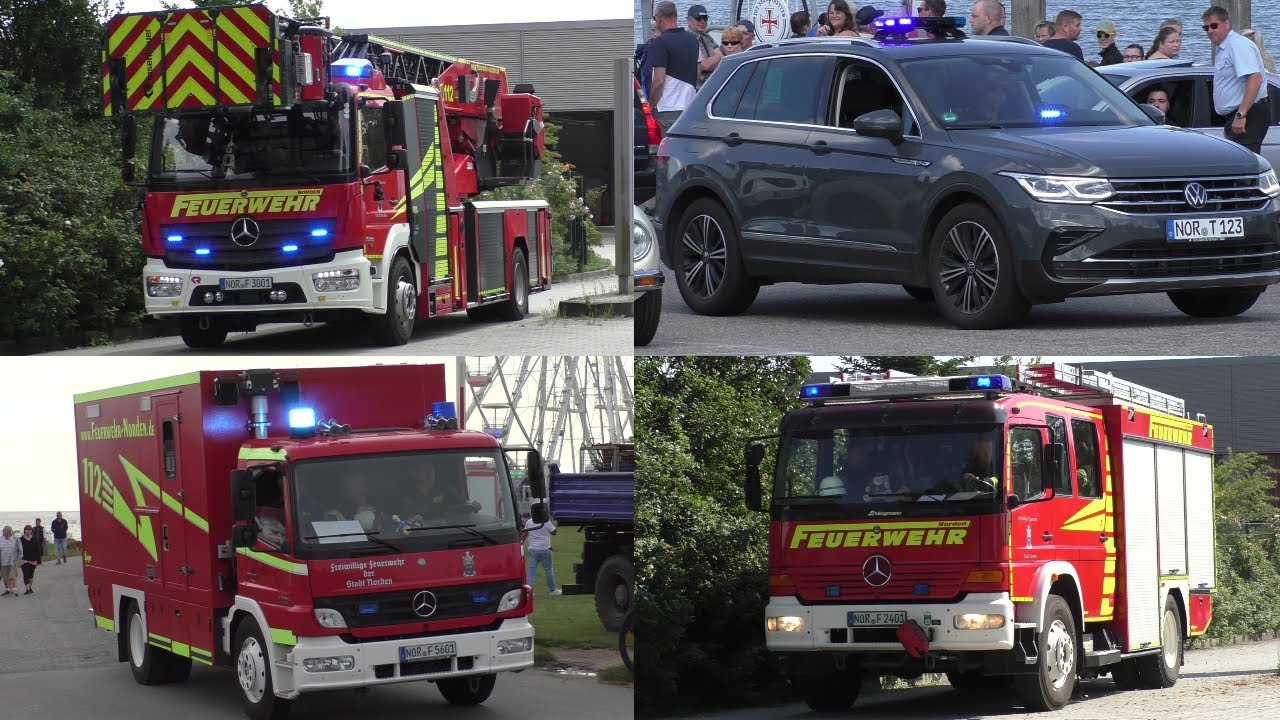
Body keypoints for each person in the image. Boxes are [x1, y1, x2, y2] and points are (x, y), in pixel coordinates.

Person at [1205, 4, 1270, 153]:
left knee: (1243, 169)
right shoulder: (1224, 47)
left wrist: (1241, 115)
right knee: (1237, 168)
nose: (1209, 31)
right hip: (1236, 116)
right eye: (1206, 28)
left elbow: (1255, 78)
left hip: (1249, 114)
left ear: (1227, 24)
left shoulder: (1237, 45)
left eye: (1214, 26)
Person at [648, 1, 699, 132]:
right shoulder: (692, 39)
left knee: (666, 151)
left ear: (659, 18)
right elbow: (698, 72)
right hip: (690, 108)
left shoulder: (660, 42)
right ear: (675, 16)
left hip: (668, 110)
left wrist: (651, 105)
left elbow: (659, 80)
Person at [523, 515, 560, 595]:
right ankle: (552, 590)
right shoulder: (546, 521)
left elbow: (525, 534)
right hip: (545, 549)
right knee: (548, 569)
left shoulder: (529, 522)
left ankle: (529, 591)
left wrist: (521, 543)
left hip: (533, 549)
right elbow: (554, 532)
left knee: (531, 571)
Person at [687, 5, 717, 88]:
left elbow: (722, 58)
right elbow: (705, 66)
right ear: (689, 21)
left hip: (711, 84)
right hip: (696, 87)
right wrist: (717, 57)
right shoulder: (688, 39)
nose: (702, 21)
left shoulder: (708, 38)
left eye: (705, 18)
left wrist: (714, 60)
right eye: (698, 18)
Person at [19, 525, 40, 595]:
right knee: (26, 574)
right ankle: (27, 589)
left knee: (31, 576)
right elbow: (17, 550)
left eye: (29, 530)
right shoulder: (20, 539)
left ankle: (30, 588)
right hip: (24, 560)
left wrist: (38, 560)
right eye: (27, 529)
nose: (28, 531)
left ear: (31, 531)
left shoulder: (34, 540)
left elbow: (38, 551)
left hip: (33, 560)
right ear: (24, 530)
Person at [0, 526, 20, 597]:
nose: (2, 533)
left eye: (3, 532)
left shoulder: (15, 539)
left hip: (13, 562)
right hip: (3, 561)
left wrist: (19, 560)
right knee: (5, 577)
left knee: (12, 576)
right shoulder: (0, 539)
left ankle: (14, 590)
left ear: (8, 532)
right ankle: (7, 589)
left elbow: (20, 550)